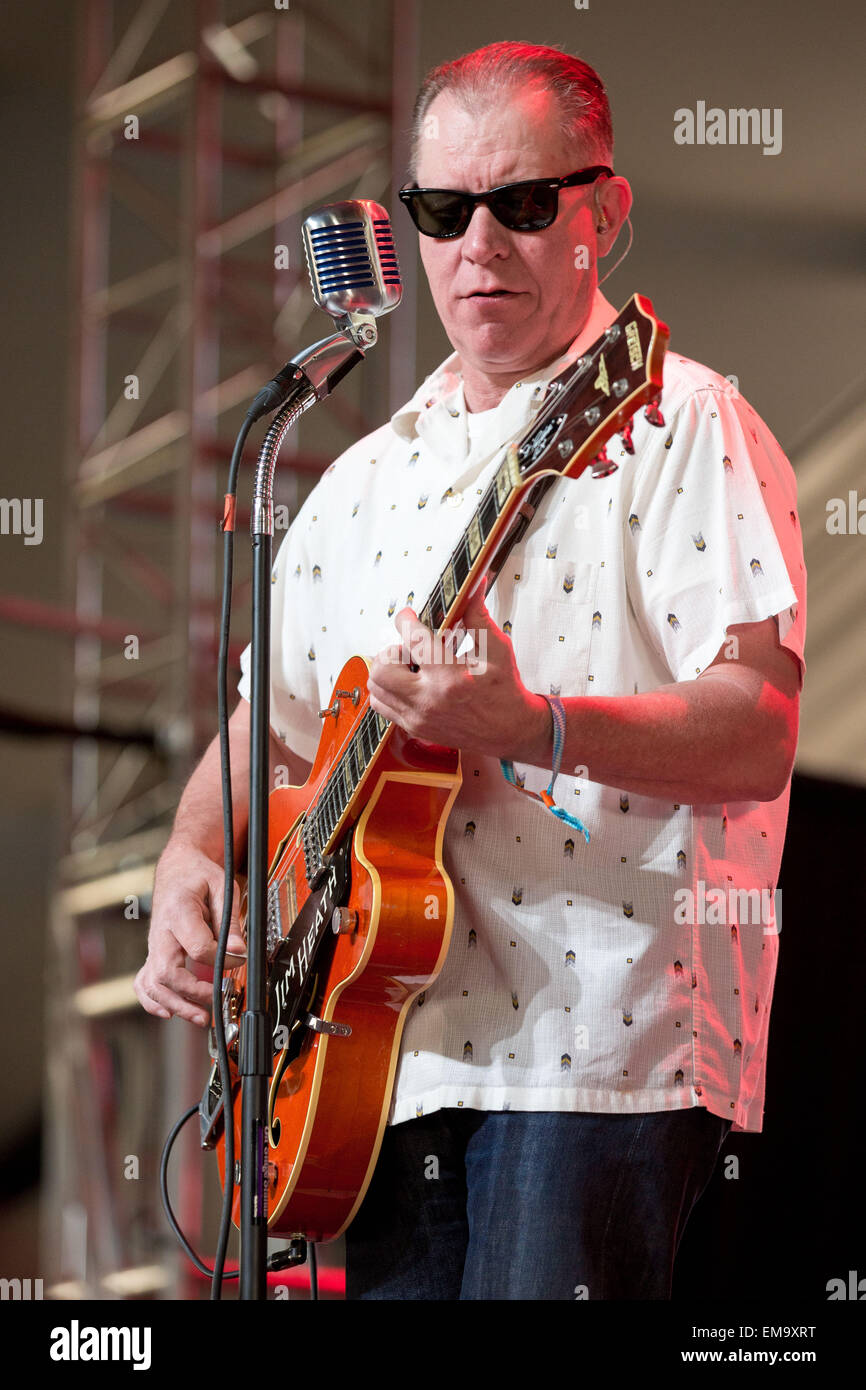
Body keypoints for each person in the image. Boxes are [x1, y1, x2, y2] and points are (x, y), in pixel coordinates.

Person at [135, 41, 806, 1300]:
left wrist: (531, 720)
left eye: (522, 204)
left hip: (593, 1045)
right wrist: (191, 862)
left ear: (601, 214)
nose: (477, 243)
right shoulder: (359, 474)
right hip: (376, 1059)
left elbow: (754, 729)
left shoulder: (675, 415)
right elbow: (262, 727)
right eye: (442, 211)